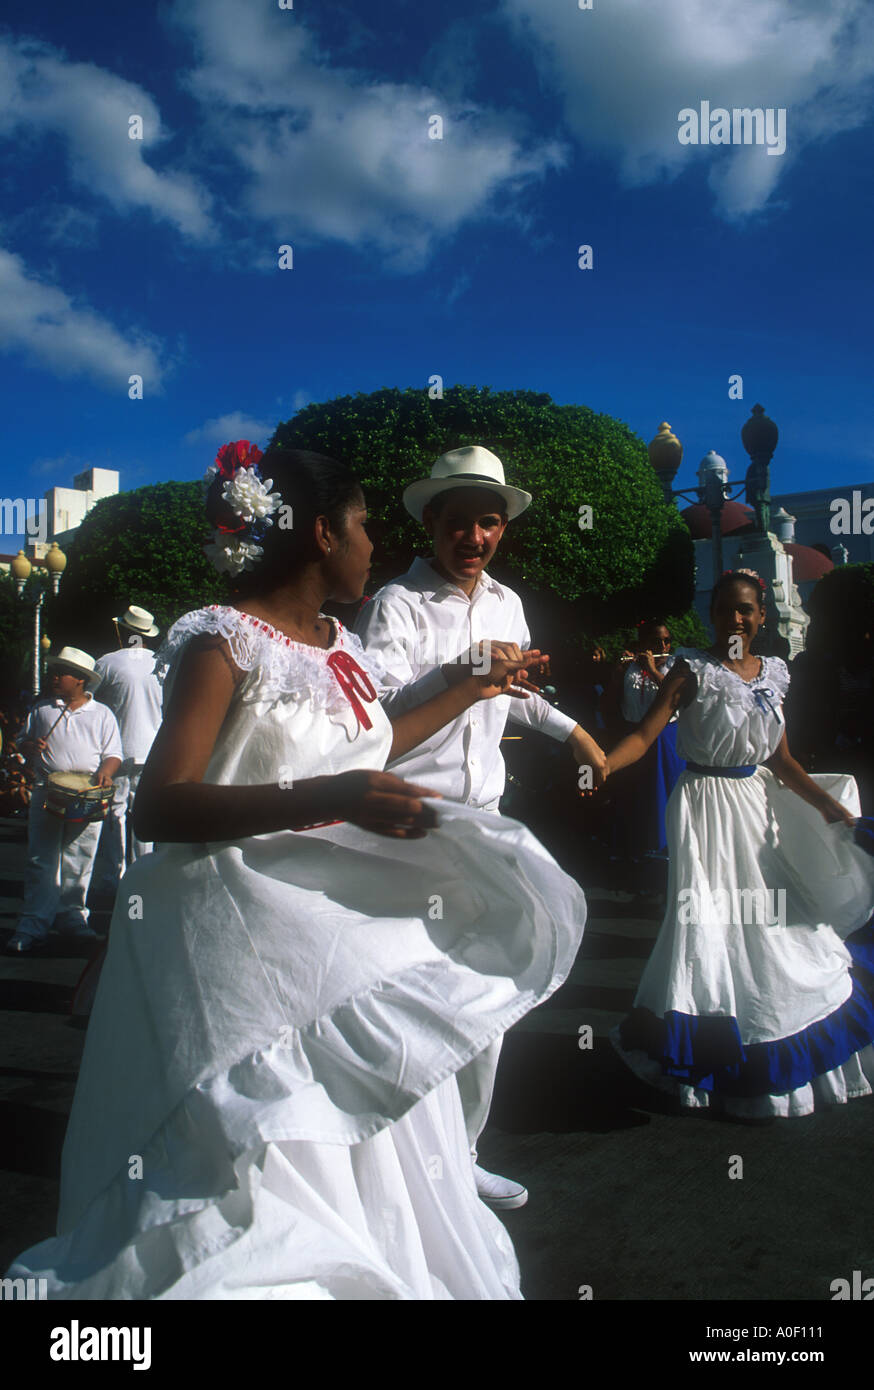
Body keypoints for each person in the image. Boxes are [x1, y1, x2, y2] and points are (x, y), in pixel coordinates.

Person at [6, 442, 587, 1299]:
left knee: (353, 1124)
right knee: (256, 1151)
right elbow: (166, 805)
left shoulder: (340, 650)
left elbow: (379, 739)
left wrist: (472, 685)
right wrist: (337, 796)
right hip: (234, 933)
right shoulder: (222, 640)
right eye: (358, 527)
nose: (368, 546)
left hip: (321, 920)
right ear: (321, 532)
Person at [355, 445, 605, 1209]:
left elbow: (517, 692)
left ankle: (460, 1158)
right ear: (431, 524)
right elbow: (375, 713)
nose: (473, 537)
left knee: (487, 997)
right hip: (405, 824)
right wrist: (461, 668)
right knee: (402, 999)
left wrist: (576, 735)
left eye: (487, 522)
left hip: (483, 823)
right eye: (458, 522)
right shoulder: (395, 606)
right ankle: (385, 1168)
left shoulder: (506, 603)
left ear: (502, 530)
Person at [598, 570, 874, 1118]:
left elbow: (782, 759)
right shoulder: (691, 669)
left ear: (762, 617)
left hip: (755, 802)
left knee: (776, 917)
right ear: (712, 615)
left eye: (746, 609)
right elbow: (644, 735)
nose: (736, 619)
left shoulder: (774, 673)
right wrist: (603, 762)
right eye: (726, 609)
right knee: (709, 922)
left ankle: (769, 1027)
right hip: (703, 807)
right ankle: (710, 1035)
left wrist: (831, 808)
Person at [6, 648, 122, 955]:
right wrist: (30, 745)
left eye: (62, 673)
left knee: (80, 855)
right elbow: (21, 742)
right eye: (54, 671)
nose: (55, 677)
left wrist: (106, 773)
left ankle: (72, 915)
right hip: (47, 790)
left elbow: (113, 754)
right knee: (41, 859)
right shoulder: (42, 709)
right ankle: (33, 923)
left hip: (86, 792)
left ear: (81, 680)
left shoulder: (102, 714)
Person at [600, 618, 685, 863]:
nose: (663, 645)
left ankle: (665, 851)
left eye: (667, 640)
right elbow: (610, 703)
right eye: (656, 641)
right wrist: (617, 675)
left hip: (665, 739)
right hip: (633, 736)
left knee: (663, 795)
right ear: (644, 644)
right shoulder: (631, 668)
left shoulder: (675, 668)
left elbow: (675, 697)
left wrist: (653, 670)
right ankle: (633, 850)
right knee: (635, 794)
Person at [91, 605, 163, 890]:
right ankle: (140, 874)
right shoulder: (162, 662)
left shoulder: (108, 662)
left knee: (114, 813)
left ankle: (114, 873)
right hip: (152, 749)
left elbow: (89, 703)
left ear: (123, 631)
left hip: (117, 749)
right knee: (142, 813)